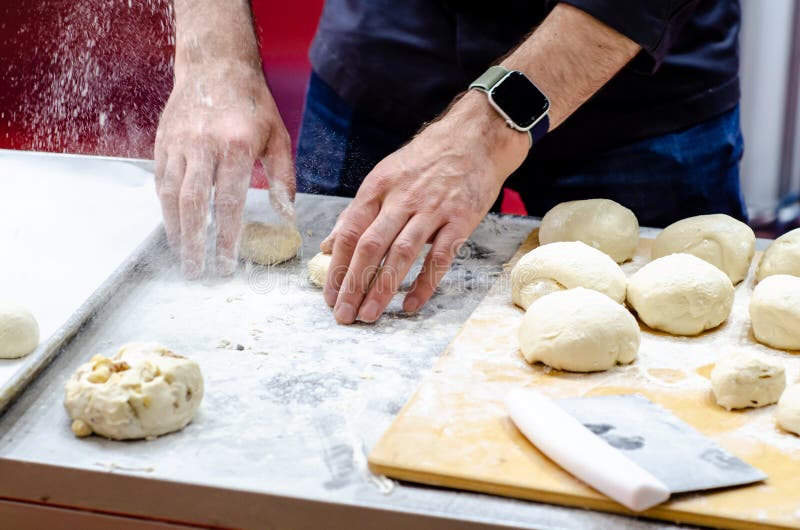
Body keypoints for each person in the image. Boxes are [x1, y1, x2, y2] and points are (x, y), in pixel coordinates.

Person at [156, 1, 745, 325]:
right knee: (332, 303)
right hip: (393, 42)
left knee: (674, 347)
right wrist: (213, 56)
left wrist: (487, 132)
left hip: (630, 69)